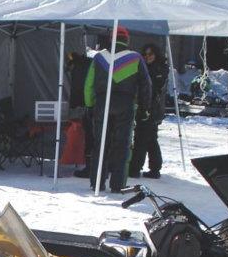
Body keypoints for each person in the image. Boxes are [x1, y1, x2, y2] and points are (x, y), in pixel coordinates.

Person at [84, 26, 152, 193]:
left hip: (102, 102)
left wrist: (90, 105)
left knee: (101, 144)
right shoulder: (135, 57)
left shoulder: (99, 58)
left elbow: (88, 85)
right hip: (125, 103)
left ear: (110, 39)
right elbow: (146, 85)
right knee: (122, 144)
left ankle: (97, 183)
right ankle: (118, 184)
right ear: (126, 40)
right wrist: (145, 109)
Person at [129, 43, 169, 179]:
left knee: (141, 137)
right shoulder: (149, 67)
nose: (147, 57)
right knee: (151, 139)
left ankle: (135, 168)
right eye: (145, 54)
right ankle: (155, 168)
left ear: (156, 54)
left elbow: (152, 88)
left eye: (150, 54)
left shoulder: (159, 69)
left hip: (151, 108)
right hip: (149, 107)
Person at [65, 50, 93, 177]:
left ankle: (90, 169)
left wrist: (73, 106)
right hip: (98, 107)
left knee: (90, 139)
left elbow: (77, 91)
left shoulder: (78, 70)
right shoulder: (90, 63)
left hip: (89, 109)